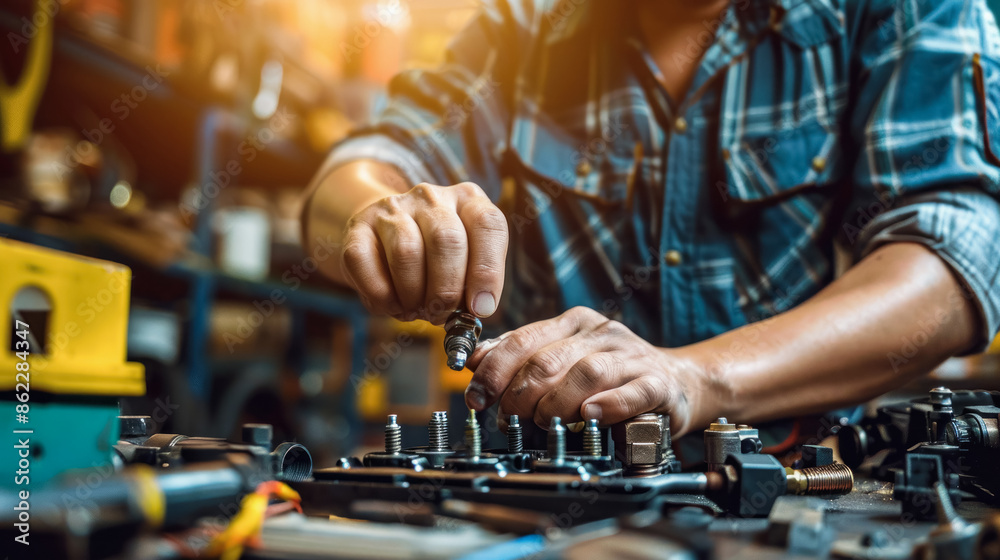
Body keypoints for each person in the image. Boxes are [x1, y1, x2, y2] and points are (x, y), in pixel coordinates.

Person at [302, 0, 1000, 439]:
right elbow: (358, 173)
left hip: (795, 488)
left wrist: (697, 378)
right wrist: (373, 212)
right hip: (546, 493)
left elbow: (951, 260)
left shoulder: (902, 11)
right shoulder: (524, 25)